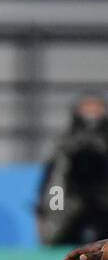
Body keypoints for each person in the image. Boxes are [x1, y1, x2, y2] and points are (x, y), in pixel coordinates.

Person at [37, 94, 108, 245]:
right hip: (71, 200)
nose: (92, 114)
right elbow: (54, 182)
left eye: (96, 109)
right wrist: (53, 212)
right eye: (87, 109)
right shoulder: (64, 144)